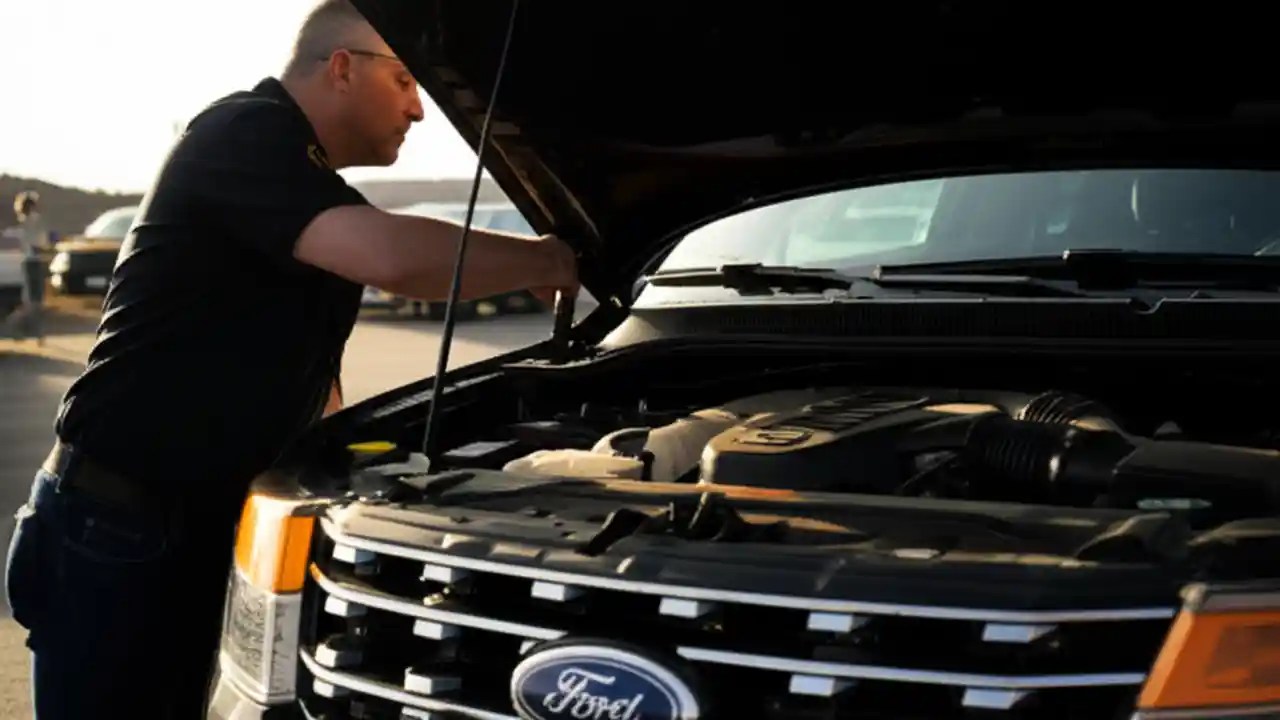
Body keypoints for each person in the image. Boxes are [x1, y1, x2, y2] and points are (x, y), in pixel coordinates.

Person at [2, 1, 578, 718]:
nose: (421, 110)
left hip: (193, 528)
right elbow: (390, 256)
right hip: (119, 531)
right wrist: (546, 259)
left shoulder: (306, 191)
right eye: (404, 79)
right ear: (342, 68)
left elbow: (310, 373)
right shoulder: (242, 131)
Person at [6, 190, 48, 344]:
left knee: (35, 301)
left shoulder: (24, 222)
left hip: (31, 261)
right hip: (33, 262)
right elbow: (38, 243)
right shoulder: (32, 222)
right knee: (34, 301)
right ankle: (14, 324)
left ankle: (37, 334)